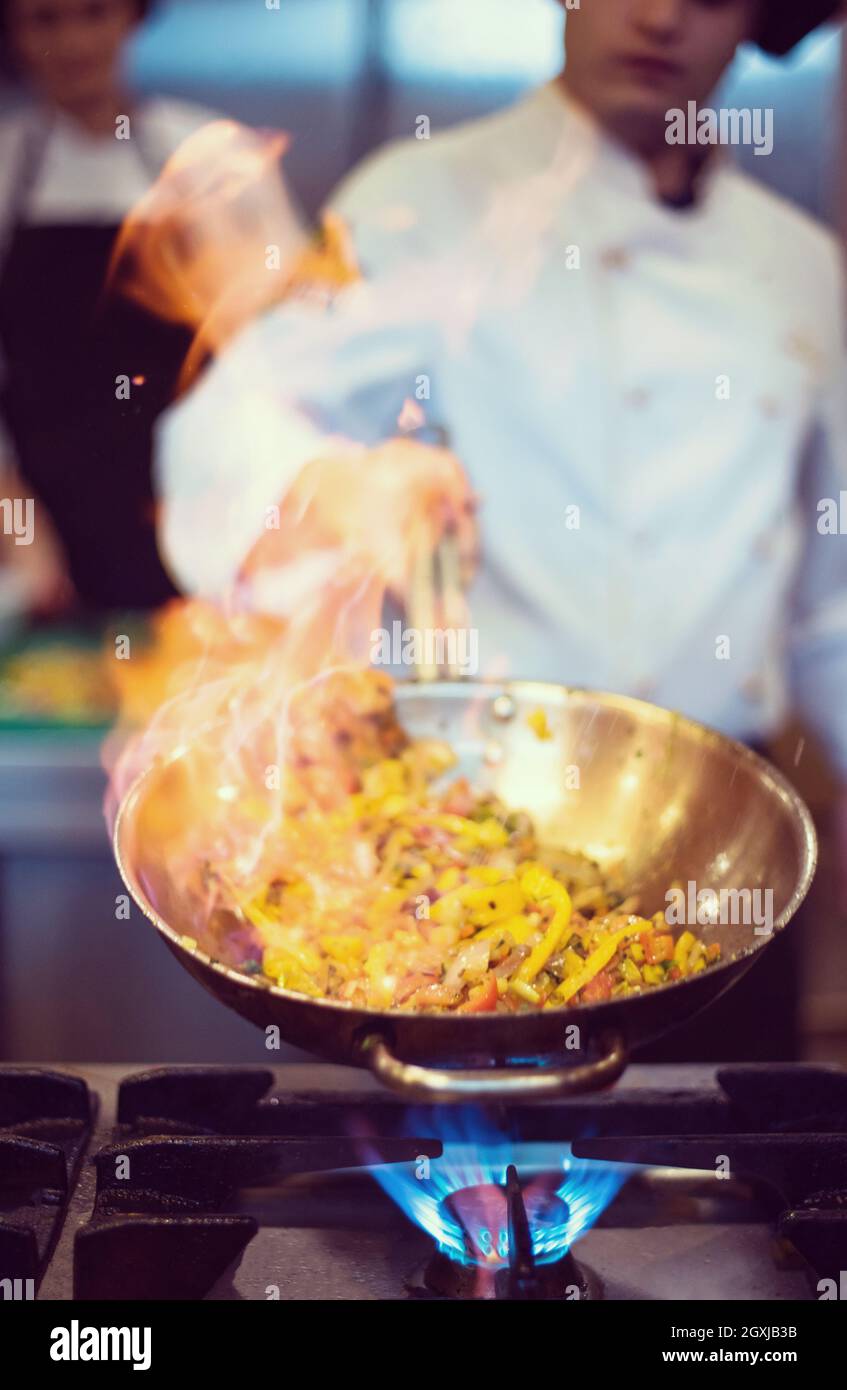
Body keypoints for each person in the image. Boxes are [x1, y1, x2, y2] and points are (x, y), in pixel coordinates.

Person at [157, 0, 846, 1060]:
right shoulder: (416, 201)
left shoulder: (801, 266)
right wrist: (337, 486)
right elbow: (221, 430)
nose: (659, 14)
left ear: (763, 18)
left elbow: (831, 609)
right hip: (465, 850)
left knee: (739, 1210)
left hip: (717, 863)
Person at [0, 0, 221, 615]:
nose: (72, 42)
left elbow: (270, 350)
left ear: (132, 18)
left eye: (93, 14)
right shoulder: (4, 165)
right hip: (44, 528)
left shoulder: (204, 157)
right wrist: (20, 532)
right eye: (44, 20)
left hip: (193, 507)